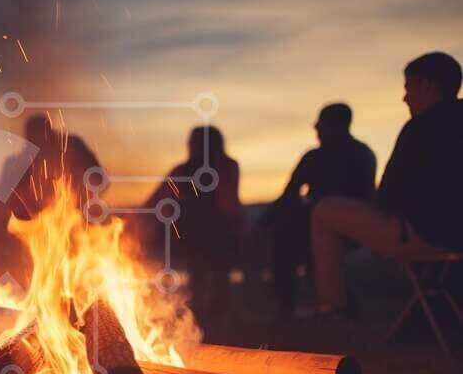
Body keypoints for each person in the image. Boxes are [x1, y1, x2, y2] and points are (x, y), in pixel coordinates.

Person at [311, 51, 463, 316]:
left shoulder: (420, 127)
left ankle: (332, 307)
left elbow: (389, 195)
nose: (405, 97)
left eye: (408, 88)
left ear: (426, 85)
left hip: (427, 234)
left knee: (324, 211)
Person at [259, 104, 376, 316]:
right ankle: (337, 307)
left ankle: (288, 310)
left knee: (285, 246)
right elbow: (290, 195)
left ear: (337, 125)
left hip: (335, 228)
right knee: (293, 241)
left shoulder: (319, 157)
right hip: (350, 227)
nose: (317, 129)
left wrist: (262, 225)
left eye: (320, 124)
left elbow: (289, 195)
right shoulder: (364, 154)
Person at [146, 126, 244, 317]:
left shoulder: (222, 167)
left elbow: (228, 203)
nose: (190, 146)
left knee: (213, 272)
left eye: (194, 142)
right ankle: (210, 312)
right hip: (198, 233)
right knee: (208, 272)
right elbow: (159, 199)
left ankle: (213, 312)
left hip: (211, 231)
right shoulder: (185, 170)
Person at [3, 114, 101, 219]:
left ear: (48, 132)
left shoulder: (72, 145)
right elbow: (8, 192)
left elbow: (98, 177)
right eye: (33, 138)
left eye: (39, 136)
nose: (37, 141)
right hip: (42, 219)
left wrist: (76, 196)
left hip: (80, 211)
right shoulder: (24, 158)